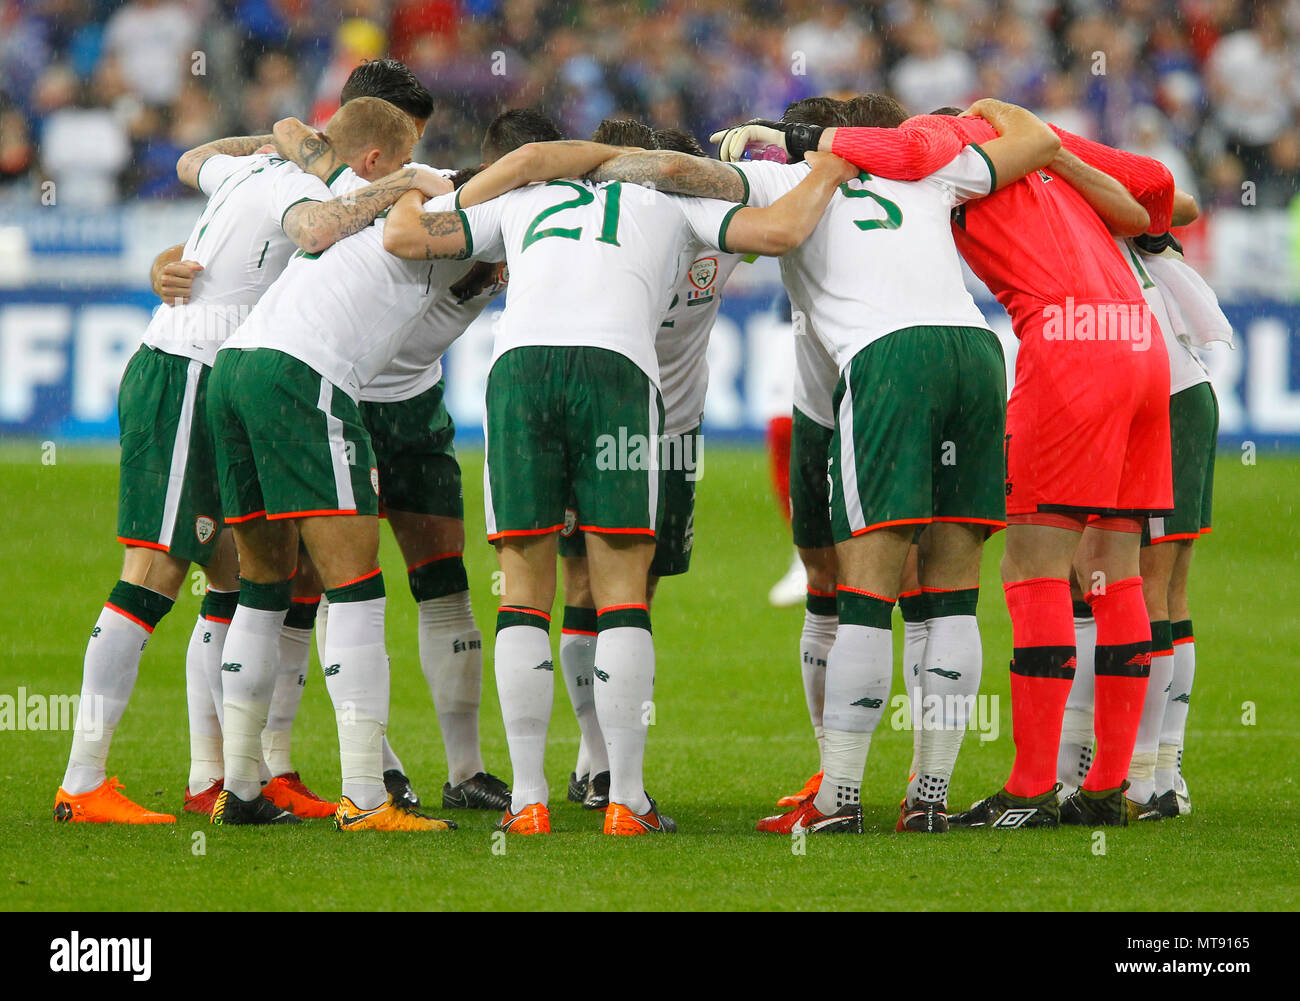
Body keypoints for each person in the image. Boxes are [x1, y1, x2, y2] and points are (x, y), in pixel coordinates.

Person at [383, 127, 858, 835]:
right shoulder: (671, 196)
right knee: (622, 592)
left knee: (523, 591)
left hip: (519, 372)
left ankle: (527, 801)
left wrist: (416, 185)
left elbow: (409, 239)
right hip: (617, 372)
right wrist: (829, 169)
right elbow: (778, 229)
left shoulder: (526, 195)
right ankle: (625, 800)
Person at [53, 98, 439, 824]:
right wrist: (402, 185)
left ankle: (225, 778)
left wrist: (290, 140)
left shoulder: (253, 163)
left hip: (212, 366)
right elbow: (318, 227)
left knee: (233, 574)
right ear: (372, 156)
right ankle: (82, 778)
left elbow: (189, 161)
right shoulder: (297, 184)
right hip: (188, 367)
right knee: (154, 569)